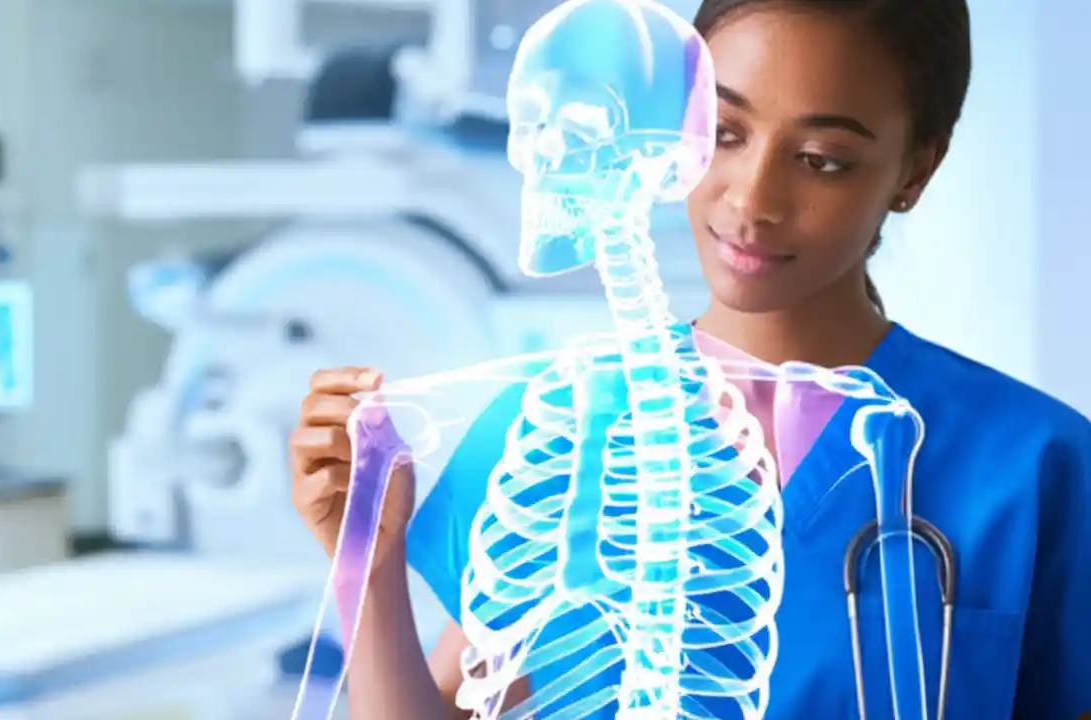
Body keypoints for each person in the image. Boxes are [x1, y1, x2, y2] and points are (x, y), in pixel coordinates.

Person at [289, 0, 1091, 717]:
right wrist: (369, 552)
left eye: (820, 158)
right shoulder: (558, 424)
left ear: (916, 168)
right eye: (727, 133)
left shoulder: (1034, 465)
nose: (752, 201)